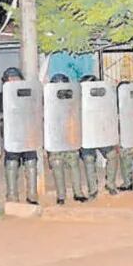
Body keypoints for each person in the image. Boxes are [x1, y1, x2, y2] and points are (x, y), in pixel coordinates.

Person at [78, 74, 122, 199]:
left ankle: (111, 184)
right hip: (86, 135)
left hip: (102, 133)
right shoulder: (78, 99)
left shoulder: (105, 98)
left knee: (112, 155)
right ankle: (93, 189)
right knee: (89, 159)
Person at [47, 73, 88, 205]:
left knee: (74, 165)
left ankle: (78, 193)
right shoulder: (48, 100)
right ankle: (61, 195)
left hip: (69, 138)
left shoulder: (72, 99)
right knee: (57, 166)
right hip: (55, 139)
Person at [1, 67, 40, 205]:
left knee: (31, 164)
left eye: (16, 78)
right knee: (11, 165)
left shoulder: (29, 93)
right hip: (12, 137)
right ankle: (12, 196)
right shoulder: (3, 97)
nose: (13, 81)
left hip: (28, 135)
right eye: (10, 79)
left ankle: (32, 195)